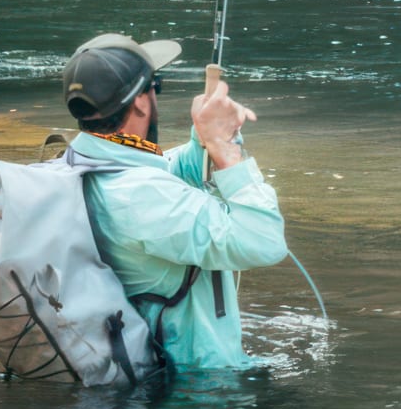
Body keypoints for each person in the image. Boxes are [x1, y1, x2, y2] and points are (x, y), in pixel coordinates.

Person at [59, 33, 287, 372]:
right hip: (197, 394)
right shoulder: (140, 195)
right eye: (156, 85)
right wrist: (225, 151)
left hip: (148, 379)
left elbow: (159, 176)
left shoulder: (82, 163)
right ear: (139, 101)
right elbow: (264, 242)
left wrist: (206, 137)